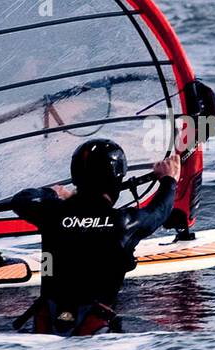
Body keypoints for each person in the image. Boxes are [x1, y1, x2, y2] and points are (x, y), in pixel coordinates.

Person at [11, 138, 181, 336]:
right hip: (93, 333)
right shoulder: (123, 223)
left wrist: (51, 193)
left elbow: (21, 200)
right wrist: (169, 180)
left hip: (46, 326)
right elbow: (160, 211)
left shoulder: (51, 212)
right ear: (116, 179)